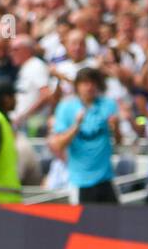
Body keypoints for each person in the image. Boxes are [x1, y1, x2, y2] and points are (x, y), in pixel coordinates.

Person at [49, 67, 121, 205]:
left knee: (114, 224)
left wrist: (116, 127)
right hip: (80, 182)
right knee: (84, 226)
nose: (89, 87)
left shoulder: (108, 105)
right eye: (85, 83)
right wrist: (76, 126)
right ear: (77, 86)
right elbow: (58, 145)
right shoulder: (66, 108)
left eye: (93, 82)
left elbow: (119, 141)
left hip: (106, 178)